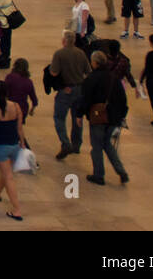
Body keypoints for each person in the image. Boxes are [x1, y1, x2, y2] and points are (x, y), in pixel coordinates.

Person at [80, 49, 130, 184]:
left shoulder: (92, 78)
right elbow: (123, 99)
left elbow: (86, 98)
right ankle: (121, 171)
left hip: (98, 116)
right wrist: (122, 115)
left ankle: (99, 175)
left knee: (96, 146)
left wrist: (79, 114)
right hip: (114, 117)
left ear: (95, 63)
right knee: (107, 145)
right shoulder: (114, 78)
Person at [49, 29, 90, 160]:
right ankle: (76, 145)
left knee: (59, 118)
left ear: (64, 41)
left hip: (65, 90)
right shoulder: (81, 53)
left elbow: (54, 73)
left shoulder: (59, 54)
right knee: (77, 118)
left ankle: (66, 143)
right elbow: (88, 71)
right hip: (79, 89)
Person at [0, 80, 25, 220]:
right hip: (14, 144)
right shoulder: (16, 106)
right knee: (6, 171)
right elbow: (19, 128)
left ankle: (17, 209)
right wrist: (23, 144)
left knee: (8, 177)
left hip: (0, 146)